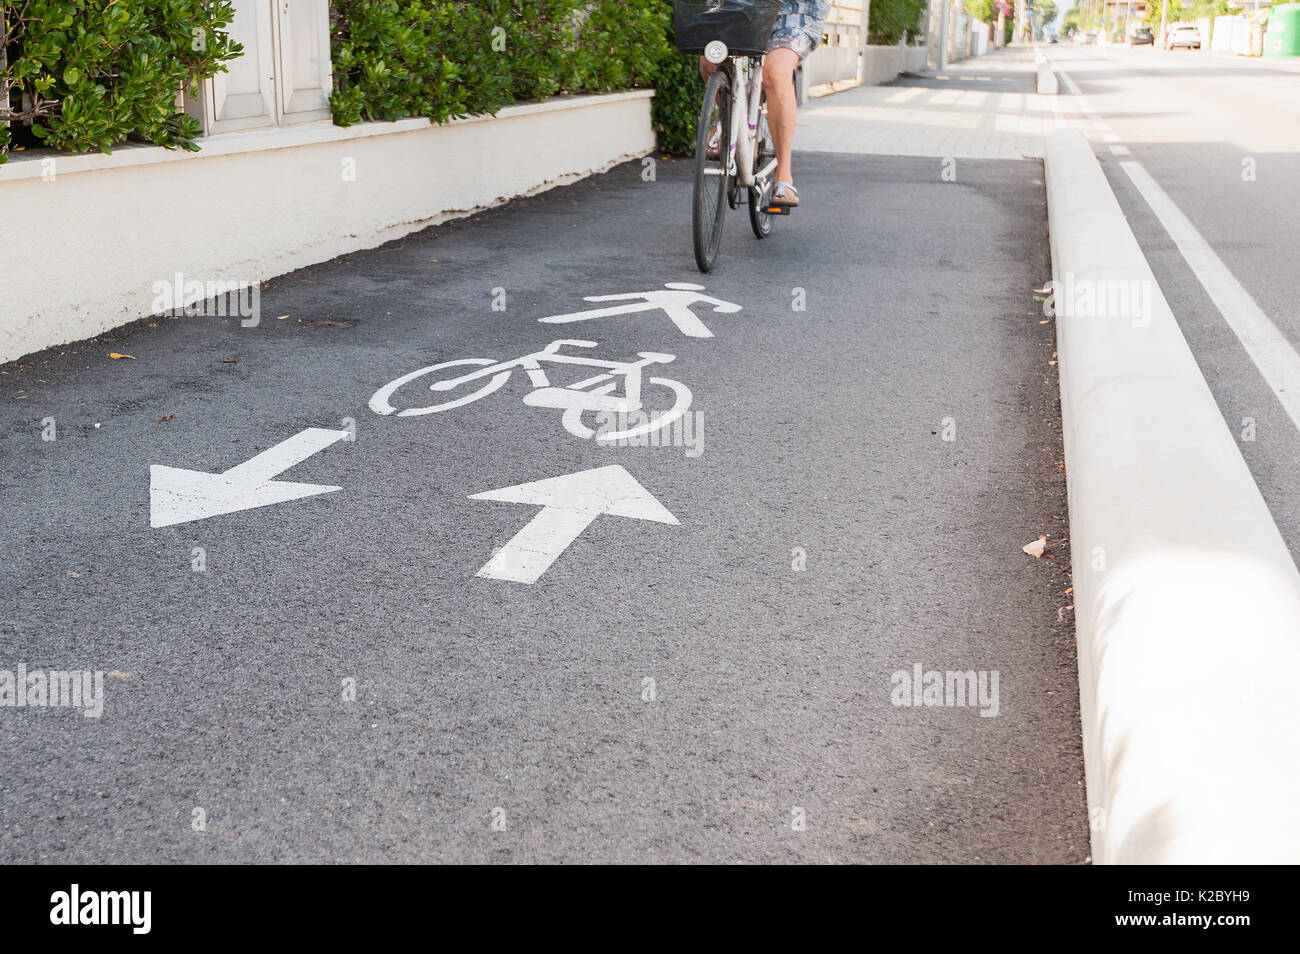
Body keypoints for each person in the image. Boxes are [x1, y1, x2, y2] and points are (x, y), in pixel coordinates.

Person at [699, 0, 830, 209]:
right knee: (709, 58)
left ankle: (784, 176)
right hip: (740, 5)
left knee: (776, 75)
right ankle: (725, 119)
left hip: (795, 10)